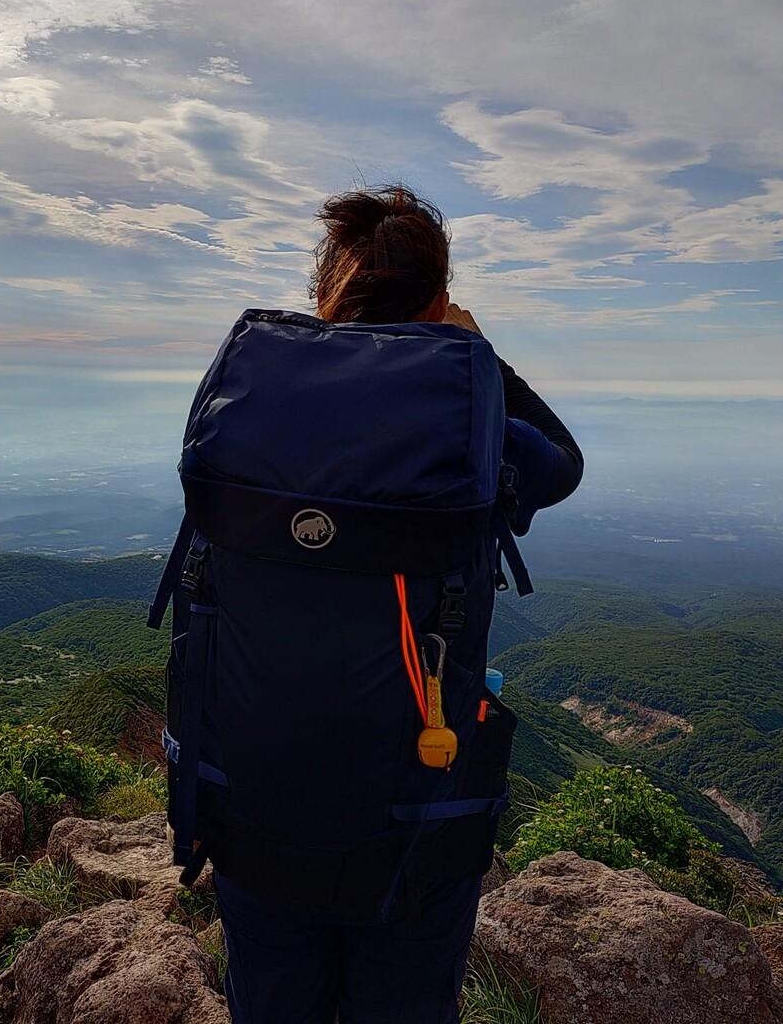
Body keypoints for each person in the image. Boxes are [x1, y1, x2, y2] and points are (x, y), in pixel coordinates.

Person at [203, 184, 584, 1023]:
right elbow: (559, 462)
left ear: (321, 295)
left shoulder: (256, 404)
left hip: (250, 805)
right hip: (415, 820)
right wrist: (478, 356)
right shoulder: (458, 423)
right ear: (441, 300)